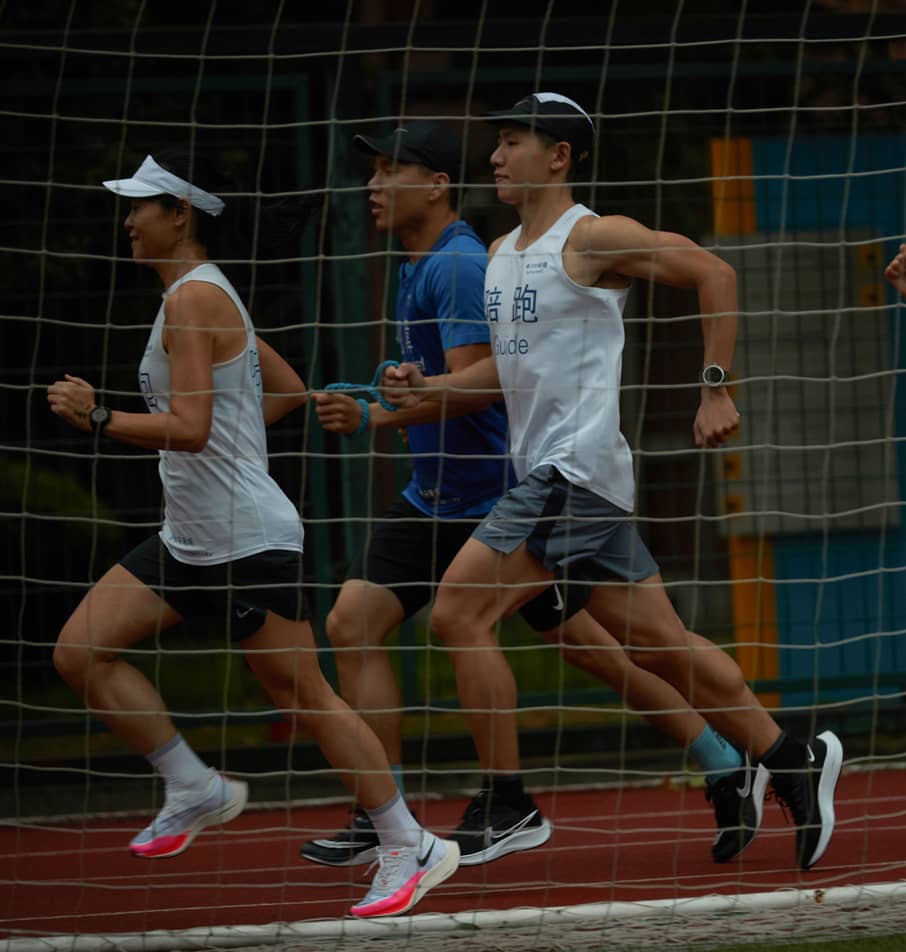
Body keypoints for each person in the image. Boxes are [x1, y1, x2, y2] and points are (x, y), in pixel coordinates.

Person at [383, 92, 844, 871]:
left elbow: (714, 272)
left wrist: (716, 385)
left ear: (559, 156)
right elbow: (505, 376)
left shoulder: (592, 237)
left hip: (575, 472)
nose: (495, 156)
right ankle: (792, 757)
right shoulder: (498, 255)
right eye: (496, 142)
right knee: (663, 645)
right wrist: (425, 389)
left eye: (514, 141)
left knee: (458, 613)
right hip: (563, 481)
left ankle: (507, 800)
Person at [300, 121, 763, 871]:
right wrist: (380, 413)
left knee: (610, 650)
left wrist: (392, 410)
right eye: (373, 172)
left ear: (436, 183)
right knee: (356, 620)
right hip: (439, 497)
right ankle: (382, 814)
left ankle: (708, 760)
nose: (373, 186)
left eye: (390, 171)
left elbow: (478, 389)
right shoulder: (441, 262)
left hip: (500, 496)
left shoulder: (461, 266)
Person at [46, 150, 458, 918]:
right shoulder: (198, 297)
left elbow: (193, 430)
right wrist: (236, 431)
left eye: (141, 206)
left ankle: (411, 843)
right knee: (79, 650)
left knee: (307, 696)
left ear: (181, 216)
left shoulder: (194, 302)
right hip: (187, 537)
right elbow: (291, 390)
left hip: (244, 540)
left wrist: (98, 416)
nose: (128, 219)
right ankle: (194, 785)